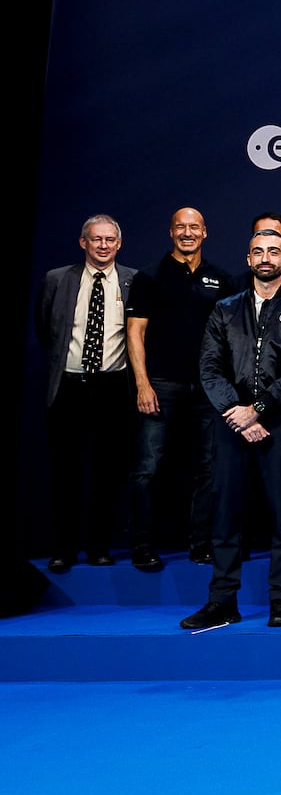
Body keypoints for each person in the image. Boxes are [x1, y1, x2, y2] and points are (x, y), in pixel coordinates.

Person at [179, 227, 281, 630]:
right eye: (258, 251)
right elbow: (209, 367)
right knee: (225, 515)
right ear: (248, 259)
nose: (265, 258)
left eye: (274, 251)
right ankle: (222, 601)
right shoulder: (225, 309)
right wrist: (236, 413)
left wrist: (258, 409)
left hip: (280, 424)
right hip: (231, 426)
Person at [127, 207, 232, 569]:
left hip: (207, 388)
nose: (187, 233)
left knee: (208, 468)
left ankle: (201, 544)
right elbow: (135, 332)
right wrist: (142, 384)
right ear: (171, 232)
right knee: (148, 468)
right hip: (160, 384)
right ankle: (142, 545)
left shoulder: (220, 279)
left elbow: (229, 337)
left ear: (204, 232)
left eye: (194, 227)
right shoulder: (149, 276)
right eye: (180, 227)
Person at [36, 215, 140, 571]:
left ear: (119, 244)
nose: (103, 245)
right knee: (66, 473)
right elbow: (45, 328)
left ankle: (99, 548)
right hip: (69, 386)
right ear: (83, 242)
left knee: (108, 474)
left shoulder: (133, 281)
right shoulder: (56, 279)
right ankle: (64, 550)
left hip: (113, 388)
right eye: (96, 239)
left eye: (110, 239)